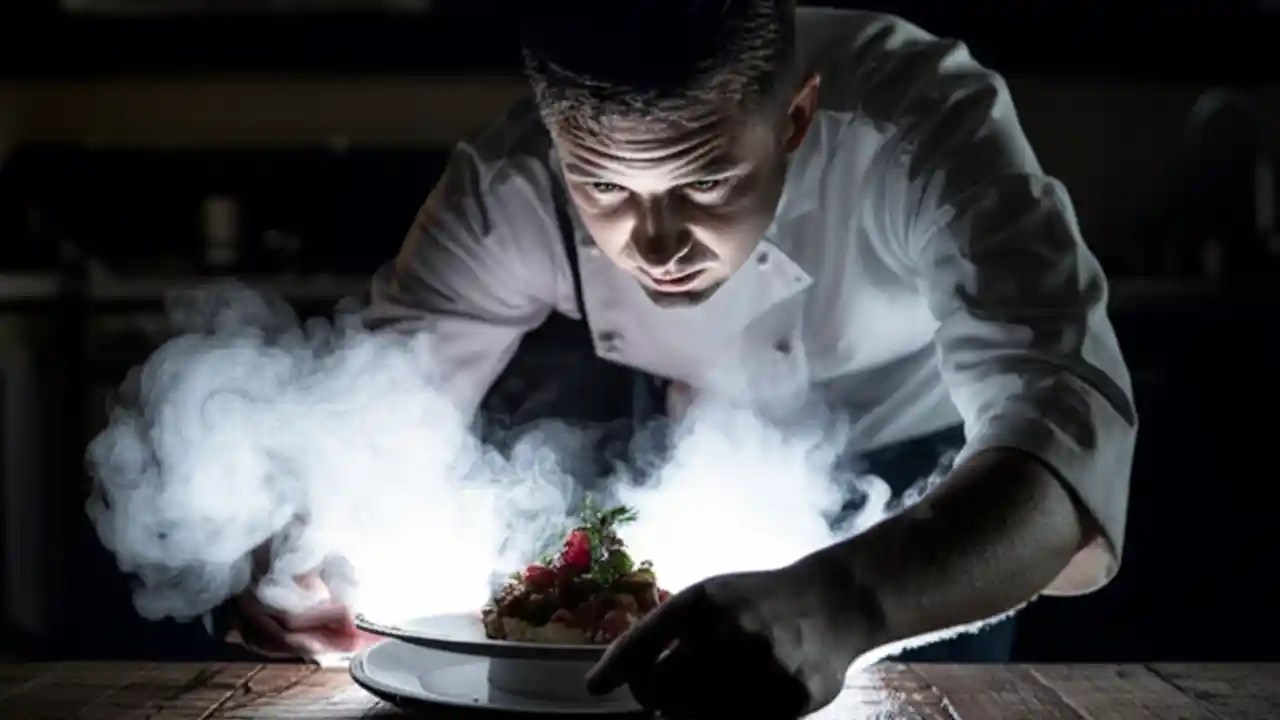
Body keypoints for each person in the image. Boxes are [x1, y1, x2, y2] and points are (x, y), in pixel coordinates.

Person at [222, 2, 1137, 717]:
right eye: (606, 187)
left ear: (796, 117)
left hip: (934, 497)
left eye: (705, 181)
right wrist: (301, 539)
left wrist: (842, 601)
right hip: (695, 466)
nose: (655, 243)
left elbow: (1063, 438)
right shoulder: (510, 184)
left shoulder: (931, 117)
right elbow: (378, 407)